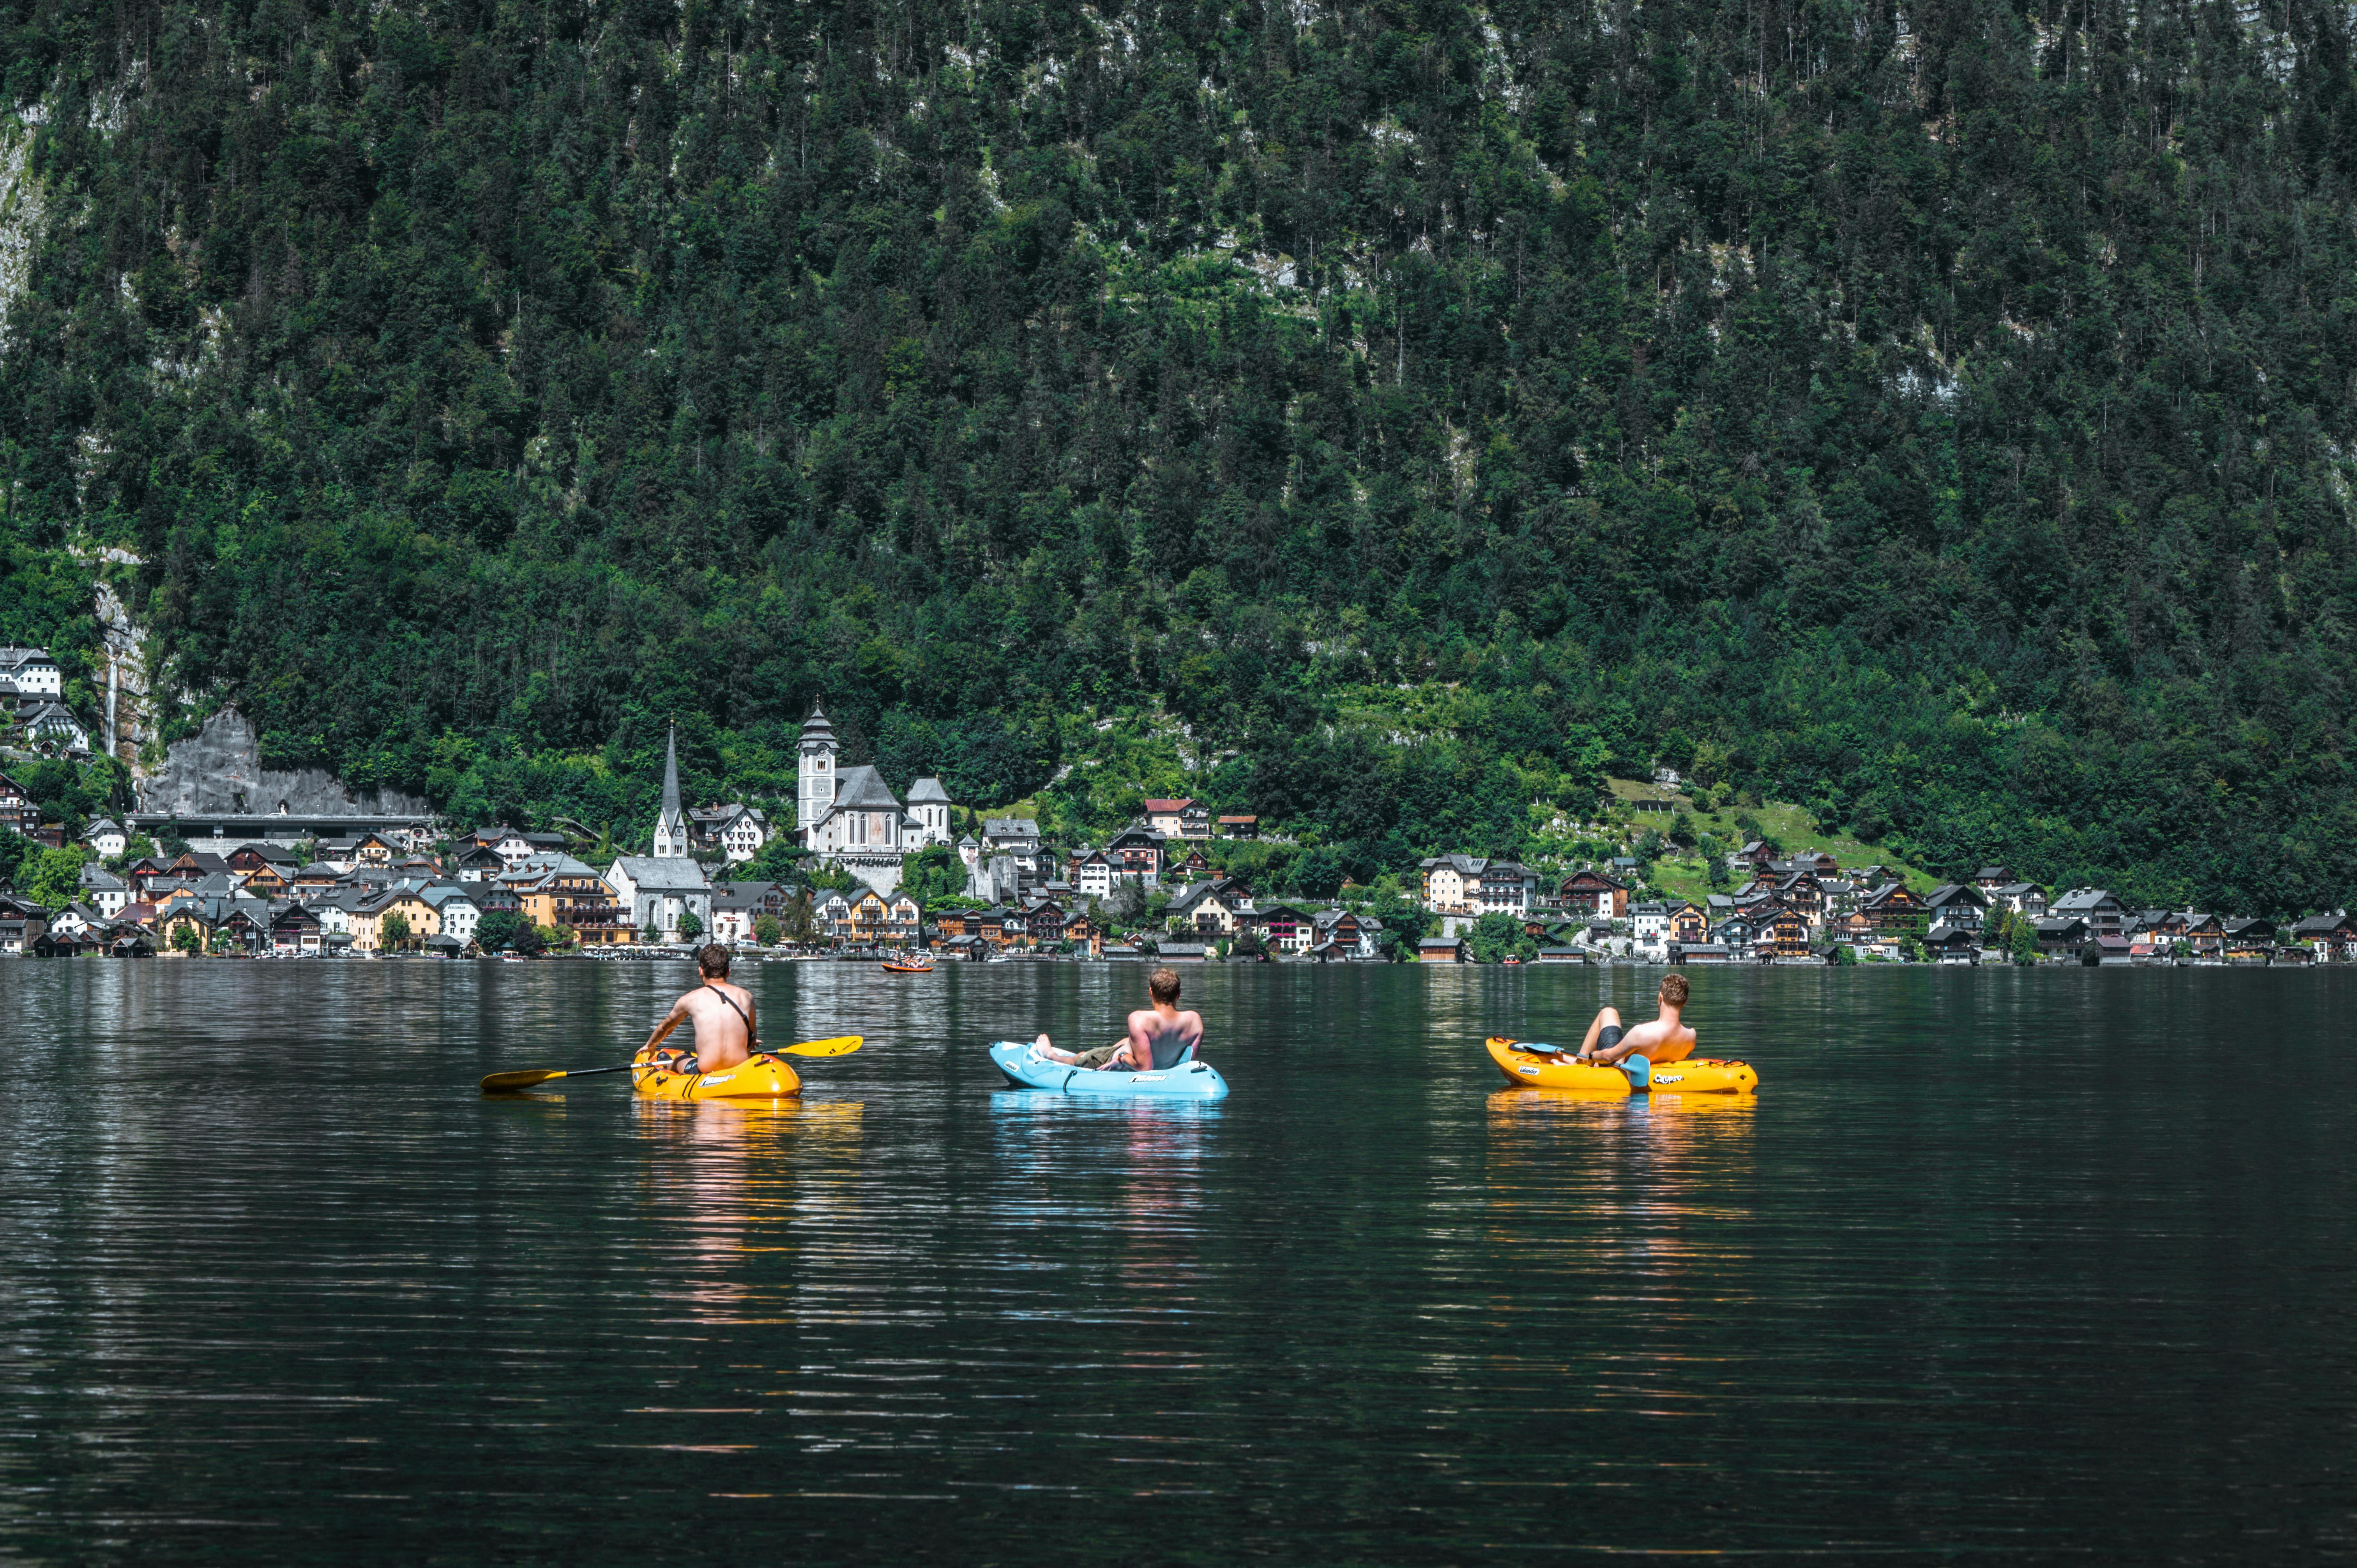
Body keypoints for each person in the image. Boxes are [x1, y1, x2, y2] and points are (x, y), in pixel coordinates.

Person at [1034, 966, 1204, 1072]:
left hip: (1121, 1061)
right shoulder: (1194, 1021)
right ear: (1179, 995)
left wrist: (1122, 1057)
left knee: (1080, 1059)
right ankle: (1119, 1047)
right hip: (1160, 1061)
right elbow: (1186, 1062)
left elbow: (1146, 1068)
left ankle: (1050, 1055)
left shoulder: (1139, 1019)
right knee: (1127, 1041)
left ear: (1151, 992)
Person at [642, 945, 762, 1074]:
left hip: (706, 1070)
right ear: (729, 972)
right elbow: (752, 1032)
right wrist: (753, 1041)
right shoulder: (747, 997)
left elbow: (665, 1028)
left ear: (701, 971)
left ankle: (668, 1071)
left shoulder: (690, 1000)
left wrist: (651, 1045)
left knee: (679, 1058)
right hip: (740, 1068)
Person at [1573, 972, 1697, 1066]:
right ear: (1685, 1002)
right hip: (1645, 1069)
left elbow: (1608, 1057)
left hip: (1615, 1067)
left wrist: (1592, 1056)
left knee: (1609, 1013)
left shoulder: (1641, 1033)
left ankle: (1577, 1065)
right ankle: (1570, 1060)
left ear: (1660, 997)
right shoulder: (1691, 1037)